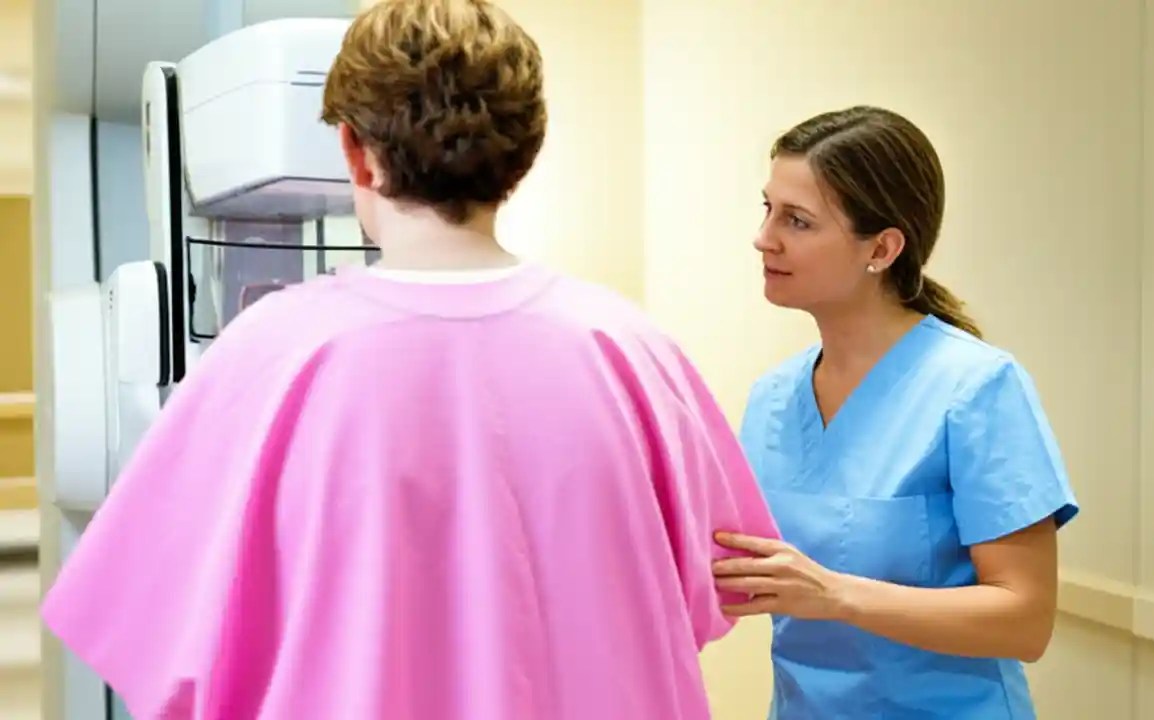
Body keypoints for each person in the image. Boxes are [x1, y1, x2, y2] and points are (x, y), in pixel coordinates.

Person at [41, 1, 777, 718]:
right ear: (525, 152)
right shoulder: (632, 353)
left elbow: (158, 628)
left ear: (356, 152)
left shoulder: (270, 355)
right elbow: (719, 590)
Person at [711, 106, 1079, 719]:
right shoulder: (773, 399)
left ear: (881, 248)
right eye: (767, 208)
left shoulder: (976, 388)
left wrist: (834, 594)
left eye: (797, 220)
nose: (764, 237)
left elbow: (1025, 620)